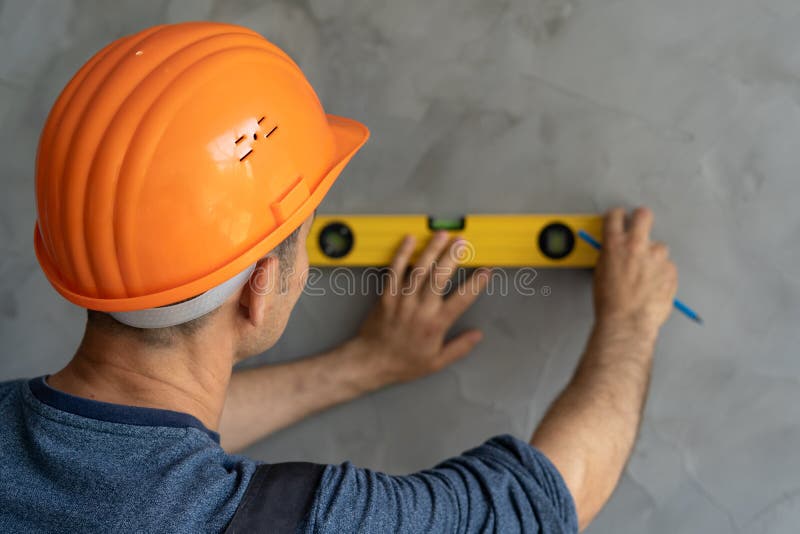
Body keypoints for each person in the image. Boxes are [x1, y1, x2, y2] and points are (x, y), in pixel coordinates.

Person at [0, 22, 678, 534]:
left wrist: (362, 366)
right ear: (262, 285)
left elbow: (137, 451)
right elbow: (543, 500)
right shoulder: (289, 521)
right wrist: (631, 321)